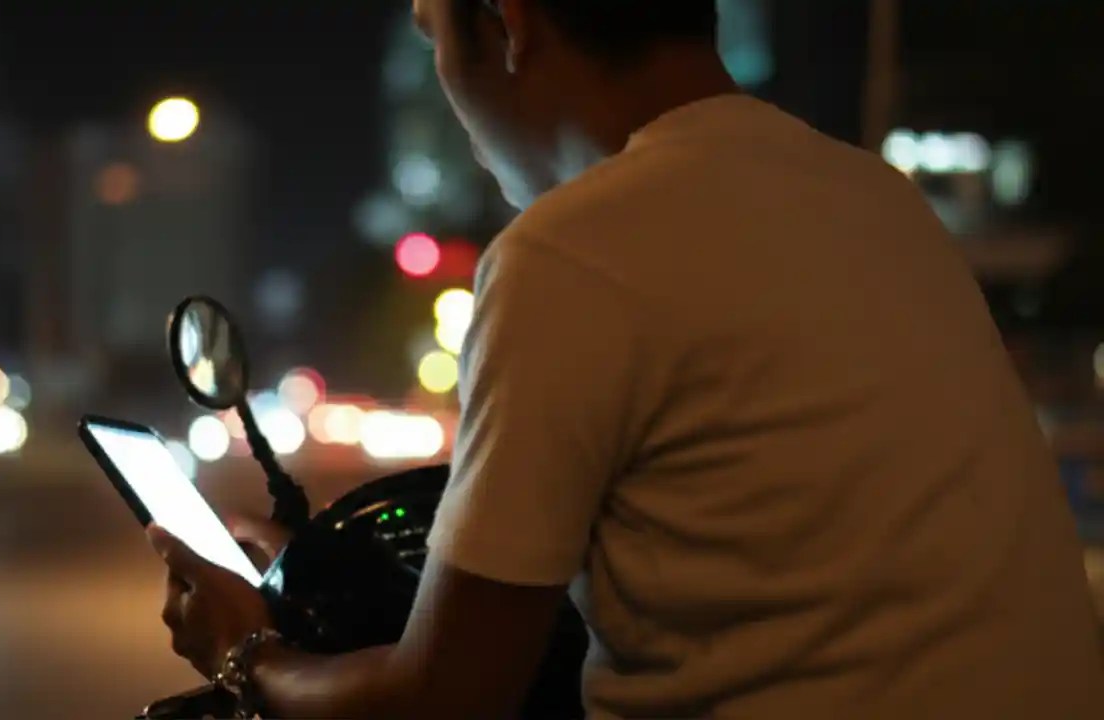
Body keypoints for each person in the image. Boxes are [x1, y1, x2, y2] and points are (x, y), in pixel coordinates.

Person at [146, 1, 1104, 717]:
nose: (443, 75)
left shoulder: (572, 249)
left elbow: (441, 701)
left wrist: (248, 652)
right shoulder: (878, 198)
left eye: (436, 32)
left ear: (508, 26)